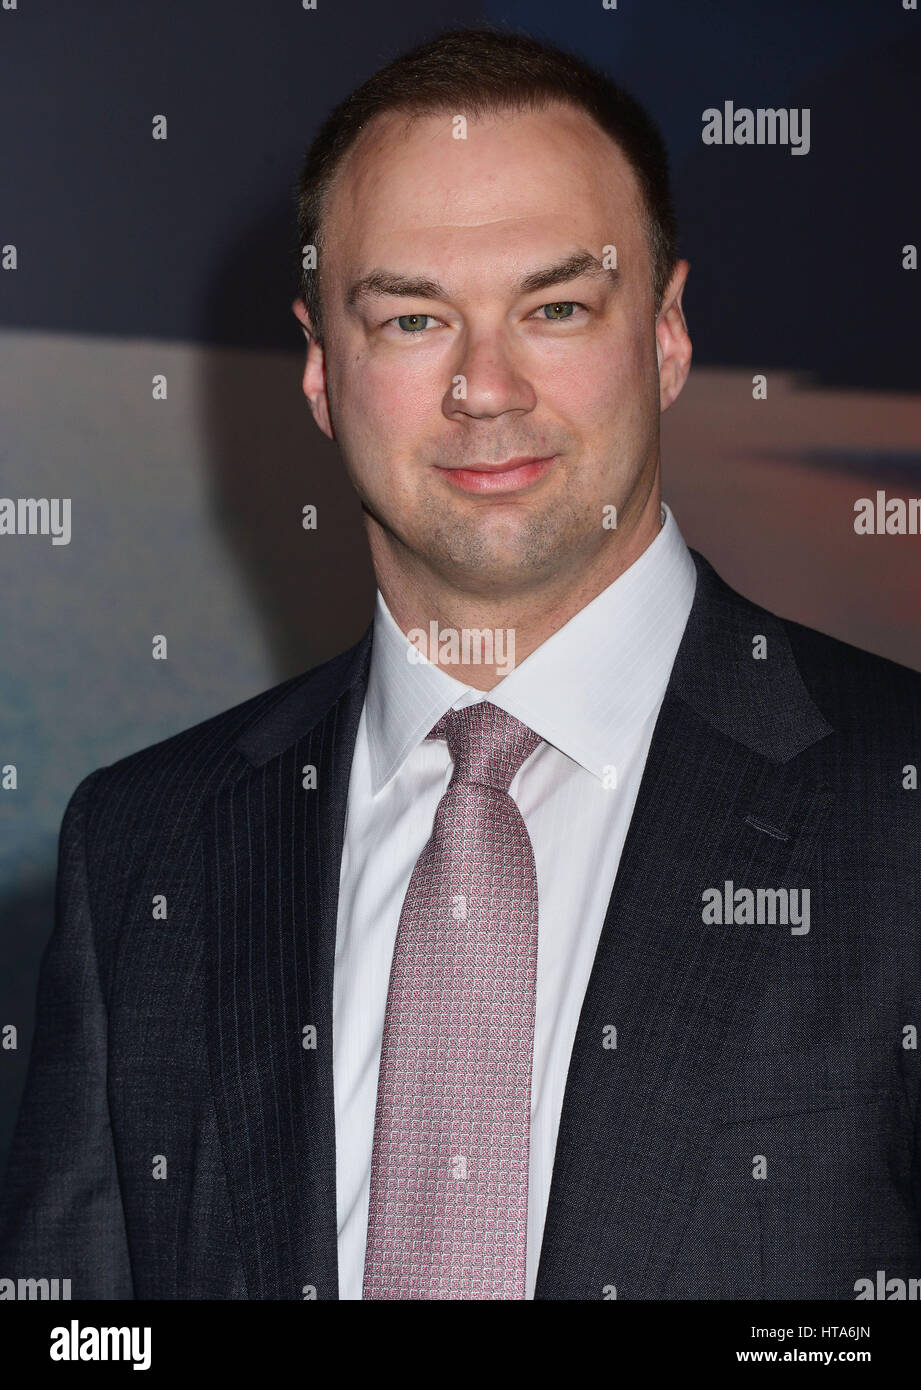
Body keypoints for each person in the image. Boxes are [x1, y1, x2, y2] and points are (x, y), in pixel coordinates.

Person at [1, 25, 918, 1302]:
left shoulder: (899, 811)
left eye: (554, 308)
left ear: (665, 335)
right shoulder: (142, 849)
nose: (486, 386)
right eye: (413, 318)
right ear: (323, 369)